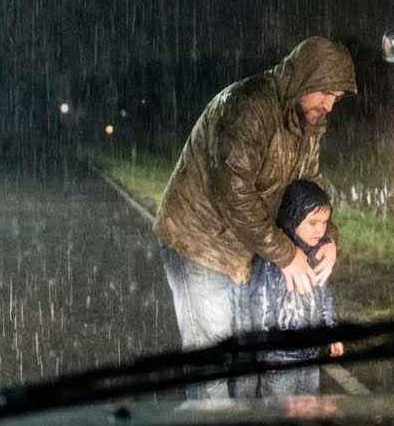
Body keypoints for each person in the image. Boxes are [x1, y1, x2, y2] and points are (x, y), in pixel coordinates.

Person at [153, 36, 357, 400]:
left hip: (251, 248)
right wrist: (286, 254)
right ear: (304, 79)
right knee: (212, 364)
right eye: (326, 93)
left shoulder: (307, 121)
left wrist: (329, 238)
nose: (329, 105)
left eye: (336, 98)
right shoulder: (248, 105)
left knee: (247, 364)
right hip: (201, 242)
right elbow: (233, 191)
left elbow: (308, 187)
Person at [249, 179, 345, 398]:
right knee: (279, 415)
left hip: (310, 356)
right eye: (313, 223)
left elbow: (325, 300)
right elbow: (261, 306)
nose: (322, 230)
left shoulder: (316, 256)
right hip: (280, 359)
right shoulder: (273, 263)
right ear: (292, 219)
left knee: (307, 413)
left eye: (325, 222)